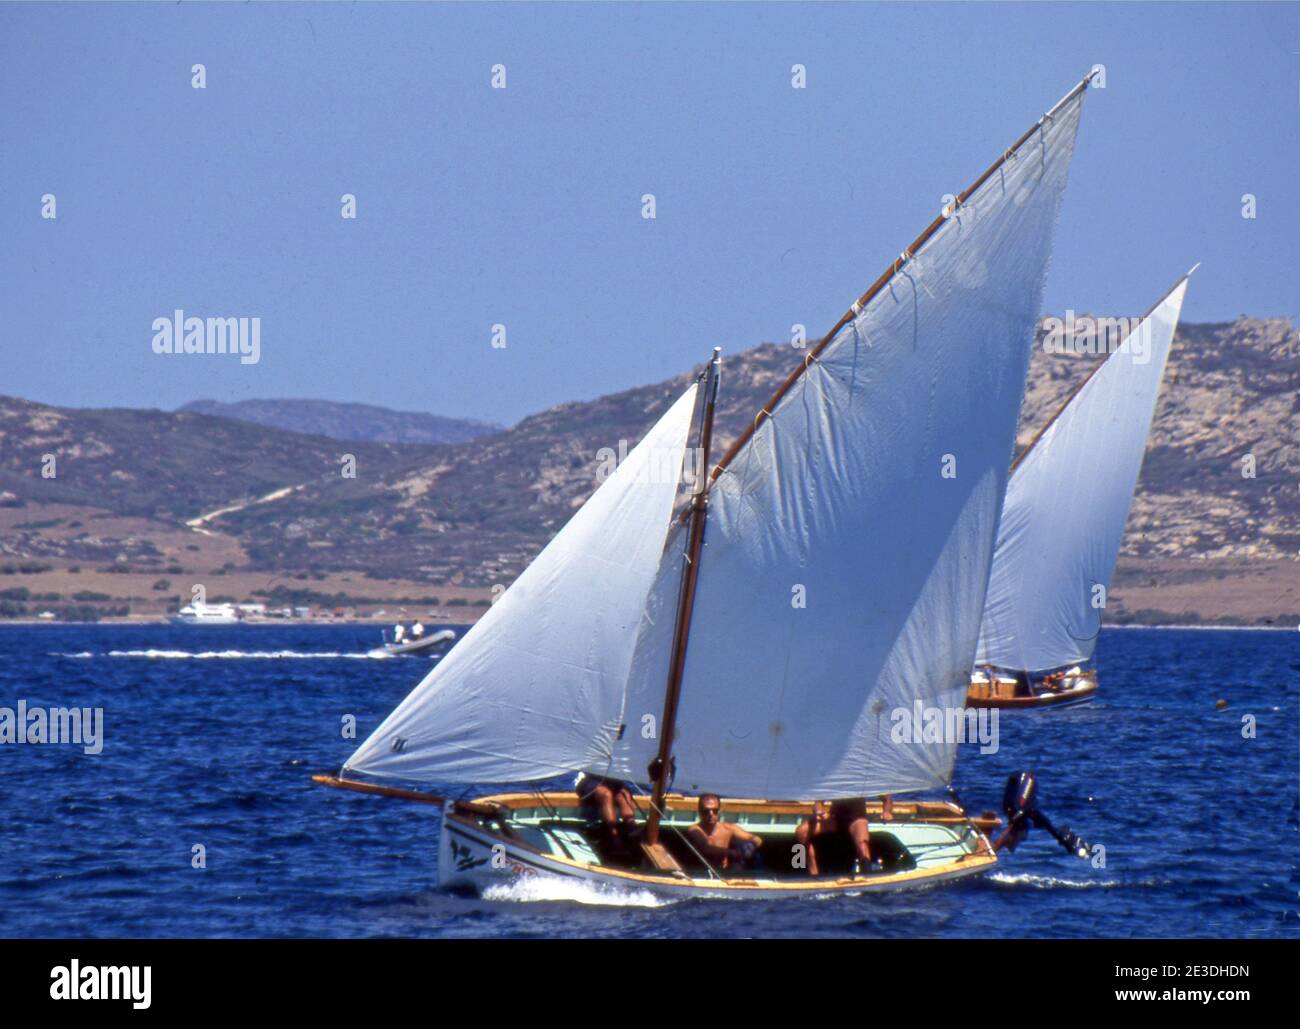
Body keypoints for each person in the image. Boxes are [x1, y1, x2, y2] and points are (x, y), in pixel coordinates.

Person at [794, 797, 875, 877]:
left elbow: (884, 794)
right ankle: (814, 875)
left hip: (856, 818)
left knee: (862, 846)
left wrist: (886, 811)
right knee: (802, 831)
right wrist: (819, 811)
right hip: (836, 818)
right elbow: (818, 802)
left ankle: (867, 876)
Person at [685, 794, 763, 871]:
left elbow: (756, 839)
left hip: (723, 871)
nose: (711, 814)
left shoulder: (729, 828)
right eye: (706, 811)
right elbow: (707, 848)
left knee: (739, 866)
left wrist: (748, 848)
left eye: (715, 811)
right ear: (699, 811)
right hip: (700, 871)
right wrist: (732, 852)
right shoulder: (694, 830)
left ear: (719, 811)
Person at [574, 773, 639, 861]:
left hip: (613, 779)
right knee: (605, 794)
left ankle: (632, 833)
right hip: (589, 780)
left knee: (624, 796)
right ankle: (614, 837)